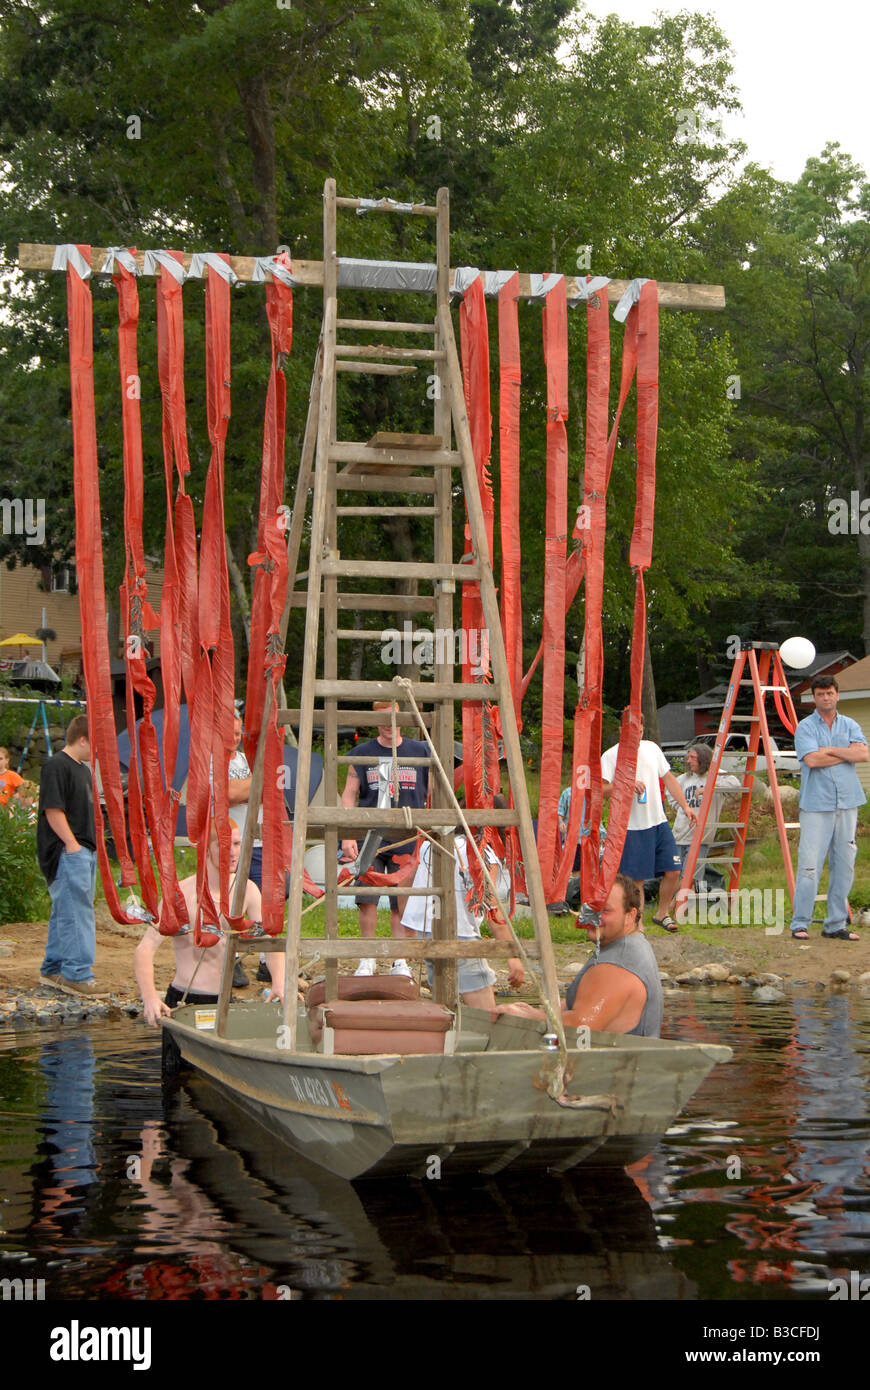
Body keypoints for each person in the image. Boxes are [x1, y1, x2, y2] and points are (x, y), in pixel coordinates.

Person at [134, 818, 286, 1027]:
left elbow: (269, 941)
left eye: (236, 844)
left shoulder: (247, 891)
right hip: (183, 999)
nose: (232, 852)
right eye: (223, 845)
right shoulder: (182, 893)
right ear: (206, 848)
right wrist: (150, 997)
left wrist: (279, 981)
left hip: (223, 1000)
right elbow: (145, 949)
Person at [496, 874, 662, 1036]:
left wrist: (530, 1016)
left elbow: (582, 1026)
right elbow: (584, 1003)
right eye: (590, 907)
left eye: (605, 910)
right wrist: (538, 1010)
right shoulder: (632, 945)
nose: (592, 917)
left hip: (614, 1063)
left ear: (630, 915)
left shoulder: (616, 966)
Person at [340, 700, 429, 977]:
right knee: (367, 897)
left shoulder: (421, 751)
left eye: (392, 718)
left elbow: (434, 792)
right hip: (371, 835)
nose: (387, 725)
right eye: (381, 719)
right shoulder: (361, 753)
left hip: (407, 835)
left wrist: (430, 827)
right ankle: (367, 957)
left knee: (402, 899)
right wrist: (347, 834)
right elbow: (349, 795)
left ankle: (399, 959)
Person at [401, 832, 523, 1007]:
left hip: (428, 934)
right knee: (487, 1013)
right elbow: (493, 908)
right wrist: (512, 956)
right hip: (461, 933)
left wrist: (409, 930)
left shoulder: (429, 845)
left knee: (443, 1007)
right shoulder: (482, 852)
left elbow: (404, 882)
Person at [599, 715, 696, 932]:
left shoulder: (652, 748)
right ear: (622, 729)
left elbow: (668, 778)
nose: (638, 736)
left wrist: (685, 806)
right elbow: (601, 790)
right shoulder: (611, 755)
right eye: (633, 731)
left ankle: (662, 913)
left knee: (673, 870)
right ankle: (638, 923)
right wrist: (624, 784)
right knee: (637, 880)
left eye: (640, 731)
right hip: (632, 826)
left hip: (658, 821)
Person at [789, 675, 867, 941]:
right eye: (821, 694)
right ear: (814, 697)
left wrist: (831, 750)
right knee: (810, 865)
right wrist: (845, 752)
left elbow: (863, 754)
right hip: (816, 804)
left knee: (845, 864)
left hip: (847, 801)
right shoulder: (805, 727)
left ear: (837, 695)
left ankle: (836, 925)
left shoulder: (850, 724)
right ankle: (800, 923)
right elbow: (811, 760)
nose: (826, 698)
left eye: (830, 693)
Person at [36, 714, 108, 998]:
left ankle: (53, 968)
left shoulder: (82, 770)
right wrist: (71, 844)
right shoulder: (56, 765)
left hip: (82, 849)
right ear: (82, 739)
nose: (99, 750)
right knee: (78, 912)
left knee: (66, 909)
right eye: (96, 743)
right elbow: (53, 809)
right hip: (69, 851)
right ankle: (78, 973)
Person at [666, 743, 741, 886]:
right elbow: (670, 791)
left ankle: (677, 905)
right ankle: (679, 904)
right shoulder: (684, 778)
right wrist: (680, 806)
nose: (688, 761)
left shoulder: (716, 775)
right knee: (674, 874)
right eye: (688, 757)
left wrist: (709, 788)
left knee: (691, 876)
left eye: (693, 758)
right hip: (680, 833)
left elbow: (735, 785)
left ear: (703, 759)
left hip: (701, 836)